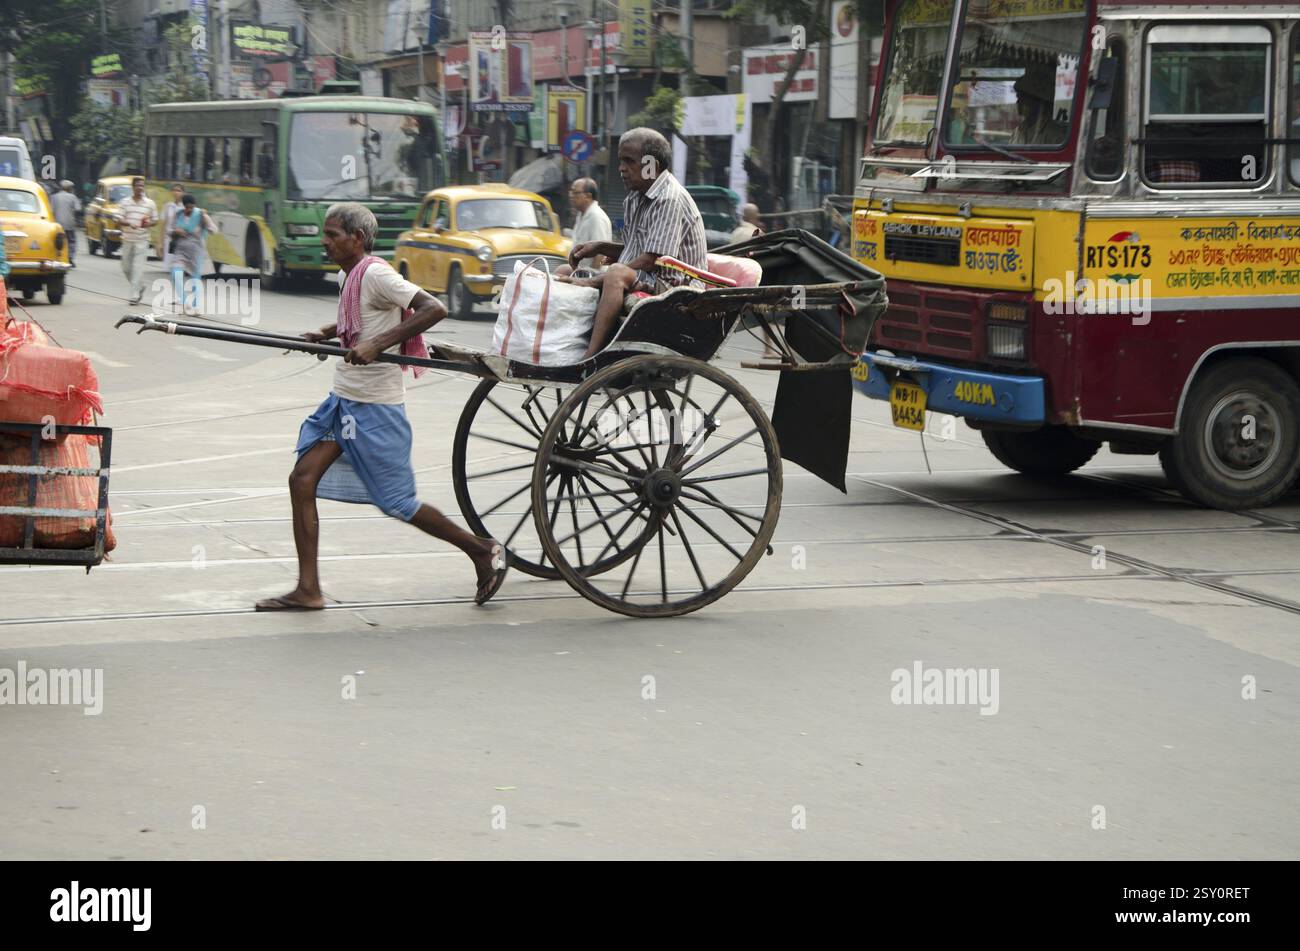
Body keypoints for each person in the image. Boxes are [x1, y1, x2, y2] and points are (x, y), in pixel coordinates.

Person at [254, 202, 508, 611]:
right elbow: (364, 317)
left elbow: (433, 308)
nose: (325, 242)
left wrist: (377, 344)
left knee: (399, 503)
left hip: (375, 408)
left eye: (333, 234)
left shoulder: (375, 273)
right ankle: (308, 589)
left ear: (356, 238)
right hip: (343, 402)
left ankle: (480, 550)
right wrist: (327, 332)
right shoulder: (349, 275)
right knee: (302, 480)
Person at [560, 128, 709, 357]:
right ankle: (564, 345)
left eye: (629, 161)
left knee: (616, 274)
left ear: (651, 165)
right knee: (565, 270)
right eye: (621, 161)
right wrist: (599, 246)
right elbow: (635, 250)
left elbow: (652, 260)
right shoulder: (634, 198)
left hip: (676, 288)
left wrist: (598, 280)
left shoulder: (668, 198)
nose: (621, 168)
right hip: (649, 276)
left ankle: (590, 355)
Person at [169, 193, 217, 316]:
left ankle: (196, 306)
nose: (189, 210)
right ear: (183, 206)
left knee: (195, 279)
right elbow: (170, 231)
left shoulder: (200, 215)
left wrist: (206, 220)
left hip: (196, 251)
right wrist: (177, 231)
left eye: (191, 207)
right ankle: (185, 303)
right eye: (187, 207)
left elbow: (213, 230)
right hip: (180, 250)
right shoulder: (178, 214)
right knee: (175, 274)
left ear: (194, 206)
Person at [117, 176, 158, 305]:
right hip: (128, 239)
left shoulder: (150, 204)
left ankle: (134, 296)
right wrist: (129, 223)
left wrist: (148, 223)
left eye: (142, 185)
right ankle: (140, 287)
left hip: (142, 240)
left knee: (137, 268)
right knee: (125, 267)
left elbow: (155, 220)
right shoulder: (125, 202)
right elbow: (118, 219)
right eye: (138, 185)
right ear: (133, 187)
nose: (140, 188)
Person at [1009, 64, 1067, 147]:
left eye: (1023, 98)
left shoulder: (1056, 135)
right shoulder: (1017, 132)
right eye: (1018, 97)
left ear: (1038, 102)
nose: (1018, 102)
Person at [567, 178, 612, 271]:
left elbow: (601, 252)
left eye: (575, 193)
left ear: (588, 196)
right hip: (578, 273)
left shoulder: (596, 217)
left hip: (590, 277)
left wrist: (591, 279)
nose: (571, 196)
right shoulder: (581, 214)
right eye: (571, 192)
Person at [49, 180, 81, 268]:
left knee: (57, 241)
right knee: (71, 241)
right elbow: (78, 209)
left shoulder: (53, 197)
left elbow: (50, 210)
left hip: (56, 224)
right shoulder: (73, 197)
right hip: (69, 224)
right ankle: (69, 258)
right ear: (70, 188)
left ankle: (56, 257)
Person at [160, 183, 184, 270]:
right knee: (170, 266)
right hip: (169, 240)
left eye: (179, 191)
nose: (176, 192)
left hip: (181, 240)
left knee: (178, 266)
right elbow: (163, 225)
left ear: (183, 193)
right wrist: (160, 243)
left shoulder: (185, 207)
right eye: (174, 190)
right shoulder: (167, 206)